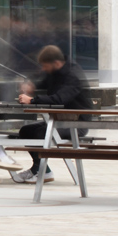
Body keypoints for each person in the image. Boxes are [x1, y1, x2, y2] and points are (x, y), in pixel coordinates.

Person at [13, 44, 92, 184]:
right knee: (26, 131)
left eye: (45, 66)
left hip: (76, 123)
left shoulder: (72, 77)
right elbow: (42, 83)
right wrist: (32, 87)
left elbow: (59, 99)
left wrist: (32, 100)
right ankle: (40, 169)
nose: (43, 69)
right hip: (58, 120)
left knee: (41, 133)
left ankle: (42, 171)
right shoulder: (55, 72)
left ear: (56, 63)